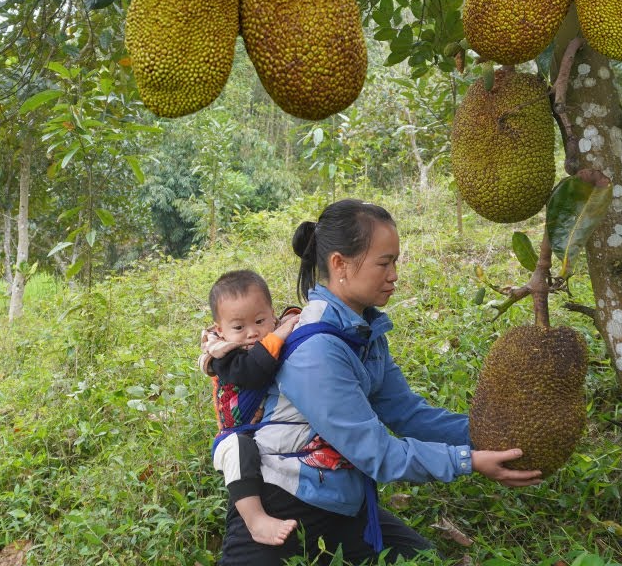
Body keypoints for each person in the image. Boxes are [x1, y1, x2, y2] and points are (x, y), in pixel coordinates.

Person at [215, 199, 543, 565]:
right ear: (340, 264)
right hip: (285, 502)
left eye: (395, 262)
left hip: (341, 502)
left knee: (423, 559)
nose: (394, 275)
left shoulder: (362, 332)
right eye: (384, 263)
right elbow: (377, 454)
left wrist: (495, 434)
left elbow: (408, 414)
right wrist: (469, 460)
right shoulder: (316, 350)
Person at [199, 269, 302, 546]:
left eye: (260, 321)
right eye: (238, 327)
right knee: (239, 449)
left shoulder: (280, 328)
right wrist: (278, 334)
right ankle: (255, 520)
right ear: (220, 330)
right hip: (234, 436)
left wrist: (292, 322)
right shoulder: (224, 354)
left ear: (272, 314)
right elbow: (253, 372)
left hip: (269, 432)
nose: (252, 333)